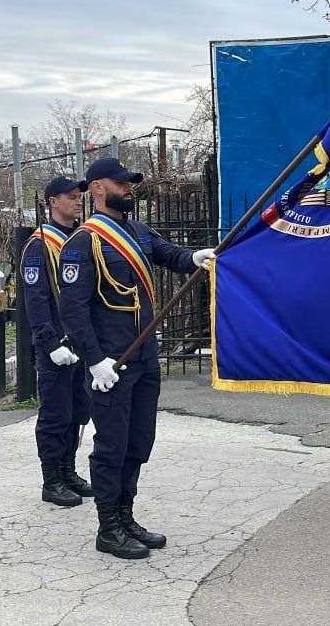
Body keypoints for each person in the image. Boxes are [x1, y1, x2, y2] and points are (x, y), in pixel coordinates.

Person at [58, 157, 215, 559]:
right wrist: (93, 361)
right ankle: (108, 526)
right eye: (121, 182)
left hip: (144, 357)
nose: (130, 188)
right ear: (96, 188)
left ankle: (126, 515)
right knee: (111, 445)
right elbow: (73, 310)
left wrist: (196, 257)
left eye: (131, 183)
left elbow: (172, 256)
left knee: (138, 441)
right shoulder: (84, 242)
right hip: (112, 363)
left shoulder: (139, 232)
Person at [21, 175, 94, 507]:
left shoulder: (80, 239)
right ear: (53, 202)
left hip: (79, 343)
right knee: (55, 415)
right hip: (55, 345)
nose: (78, 200)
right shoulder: (39, 244)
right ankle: (51, 479)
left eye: (79, 196)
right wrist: (49, 344)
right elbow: (36, 301)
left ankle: (68, 470)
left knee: (78, 411)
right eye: (70, 197)